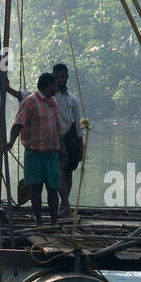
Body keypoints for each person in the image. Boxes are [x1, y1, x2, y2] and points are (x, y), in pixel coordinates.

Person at [8, 73, 64, 227]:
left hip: (51, 152)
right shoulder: (30, 102)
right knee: (36, 188)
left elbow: (57, 129)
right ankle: (39, 222)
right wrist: (11, 142)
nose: (56, 87)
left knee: (53, 187)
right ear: (47, 85)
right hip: (34, 153)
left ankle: (53, 222)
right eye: (54, 85)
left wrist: (62, 150)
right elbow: (18, 124)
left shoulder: (53, 103)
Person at [52, 63, 84, 215]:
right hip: (54, 138)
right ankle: (64, 202)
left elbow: (77, 124)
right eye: (57, 77)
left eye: (62, 76)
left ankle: (64, 204)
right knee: (58, 171)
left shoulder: (73, 99)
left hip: (70, 137)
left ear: (67, 77)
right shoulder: (49, 96)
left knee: (69, 171)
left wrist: (81, 145)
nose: (60, 80)